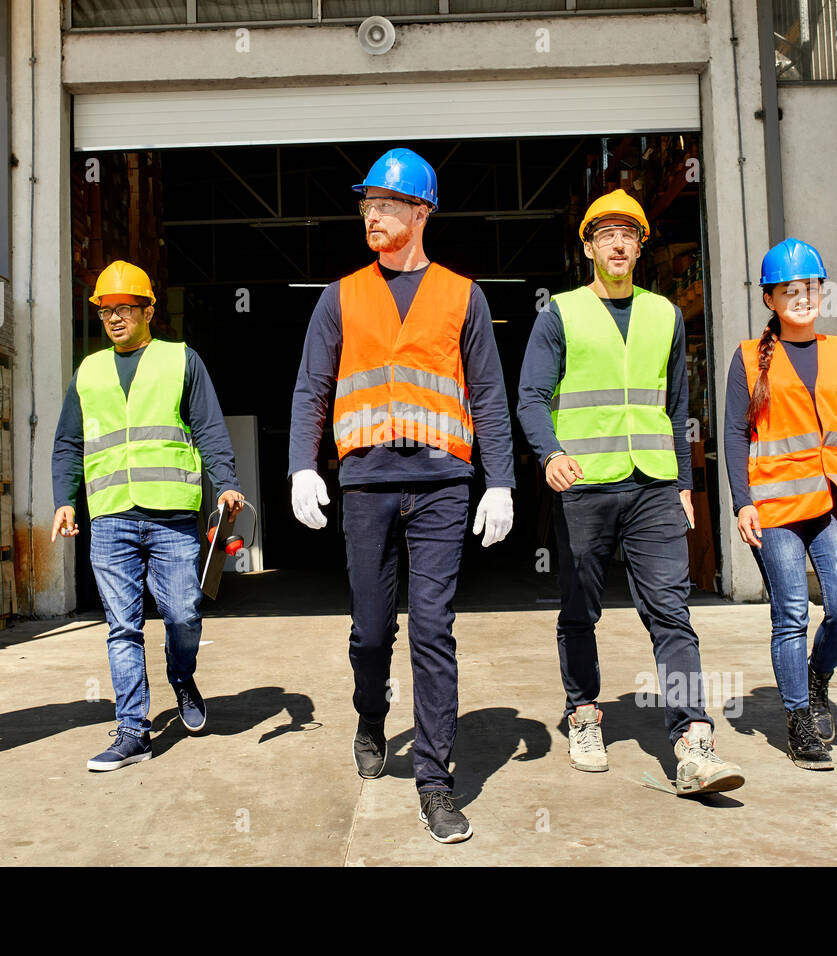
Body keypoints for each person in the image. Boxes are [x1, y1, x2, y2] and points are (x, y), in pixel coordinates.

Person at [288, 147, 515, 843]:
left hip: (443, 484)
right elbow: (313, 387)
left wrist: (500, 481)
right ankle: (368, 716)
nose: (372, 216)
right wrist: (302, 464)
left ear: (421, 213)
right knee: (371, 628)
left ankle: (437, 783)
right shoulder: (340, 295)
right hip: (366, 485)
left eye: (385, 205)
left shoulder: (462, 294)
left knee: (433, 628)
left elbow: (489, 396)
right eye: (366, 206)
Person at [516, 190, 744, 794]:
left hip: (654, 487)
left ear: (640, 247)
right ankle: (584, 712)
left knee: (671, 612)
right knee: (580, 610)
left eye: (630, 234)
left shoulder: (665, 315)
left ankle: (693, 738)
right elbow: (531, 398)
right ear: (587, 246)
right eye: (606, 234)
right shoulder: (558, 315)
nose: (618, 244)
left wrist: (686, 484)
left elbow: (676, 407)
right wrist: (551, 454)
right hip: (584, 485)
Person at [50, 260, 244, 772]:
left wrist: (226, 486)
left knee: (183, 614)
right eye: (106, 310)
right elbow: (69, 442)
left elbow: (208, 429)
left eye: (124, 309)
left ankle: (181, 678)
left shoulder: (181, 360)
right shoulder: (88, 372)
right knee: (122, 626)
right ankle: (133, 730)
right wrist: (65, 499)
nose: (114, 318)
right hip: (111, 516)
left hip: (172, 516)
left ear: (147, 311)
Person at [723, 237, 837, 771]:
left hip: (834, 505)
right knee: (791, 612)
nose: (802, 297)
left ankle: (817, 674)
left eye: (810, 287)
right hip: (776, 509)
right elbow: (735, 435)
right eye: (790, 290)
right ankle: (800, 720)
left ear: (821, 291)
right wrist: (742, 503)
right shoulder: (746, 358)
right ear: (771, 300)